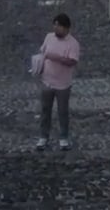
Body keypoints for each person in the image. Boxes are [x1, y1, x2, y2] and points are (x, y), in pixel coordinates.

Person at [33, 13, 80, 151]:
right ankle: (43, 136)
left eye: (59, 26)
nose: (56, 29)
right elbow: (43, 52)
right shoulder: (49, 37)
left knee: (62, 111)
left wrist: (56, 57)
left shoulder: (73, 44)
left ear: (66, 28)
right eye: (55, 25)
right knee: (45, 110)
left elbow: (72, 61)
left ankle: (64, 137)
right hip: (47, 81)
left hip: (63, 84)